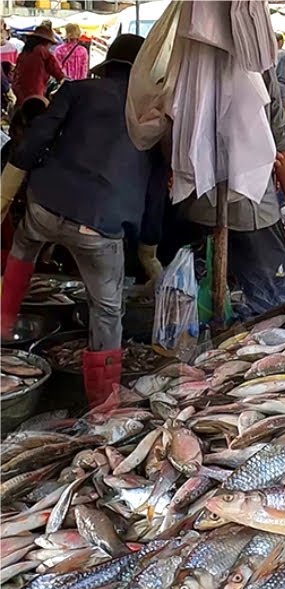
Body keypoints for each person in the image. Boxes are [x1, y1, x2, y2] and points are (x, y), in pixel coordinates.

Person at [0, 35, 164, 407]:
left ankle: (5, 323)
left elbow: (37, 136)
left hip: (46, 203)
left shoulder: (78, 91)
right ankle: (104, 404)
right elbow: (155, 192)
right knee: (107, 312)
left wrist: (6, 192)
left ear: (106, 65)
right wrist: (148, 250)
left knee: (24, 246)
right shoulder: (151, 116)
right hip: (100, 225)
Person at [181, 61, 285, 318]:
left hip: (209, 205)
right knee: (268, 306)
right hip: (244, 211)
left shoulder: (192, 61)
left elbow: (278, 137)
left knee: (231, 304)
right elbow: (279, 134)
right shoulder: (253, 63)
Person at [11, 24, 64, 105]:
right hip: (35, 93)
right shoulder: (42, 51)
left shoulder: (24, 53)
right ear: (45, 42)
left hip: (19, 91)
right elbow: (57, 72)